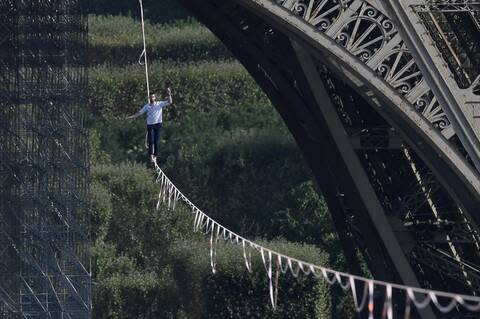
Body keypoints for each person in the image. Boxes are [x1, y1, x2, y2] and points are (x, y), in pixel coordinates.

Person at [127, 87, 173, 162]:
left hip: (158, 124)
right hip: (150, 125)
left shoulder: (159, 104)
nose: (152, 98)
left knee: (156, 141)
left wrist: (169, 94)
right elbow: (139, 113)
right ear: (149, 98)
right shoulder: (147, 106)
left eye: (153, 96)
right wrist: (131, 117)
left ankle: (155, 155)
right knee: (151, 141)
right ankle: (151, 155)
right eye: (151, 97)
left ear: (155, 98)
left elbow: (170, 102)